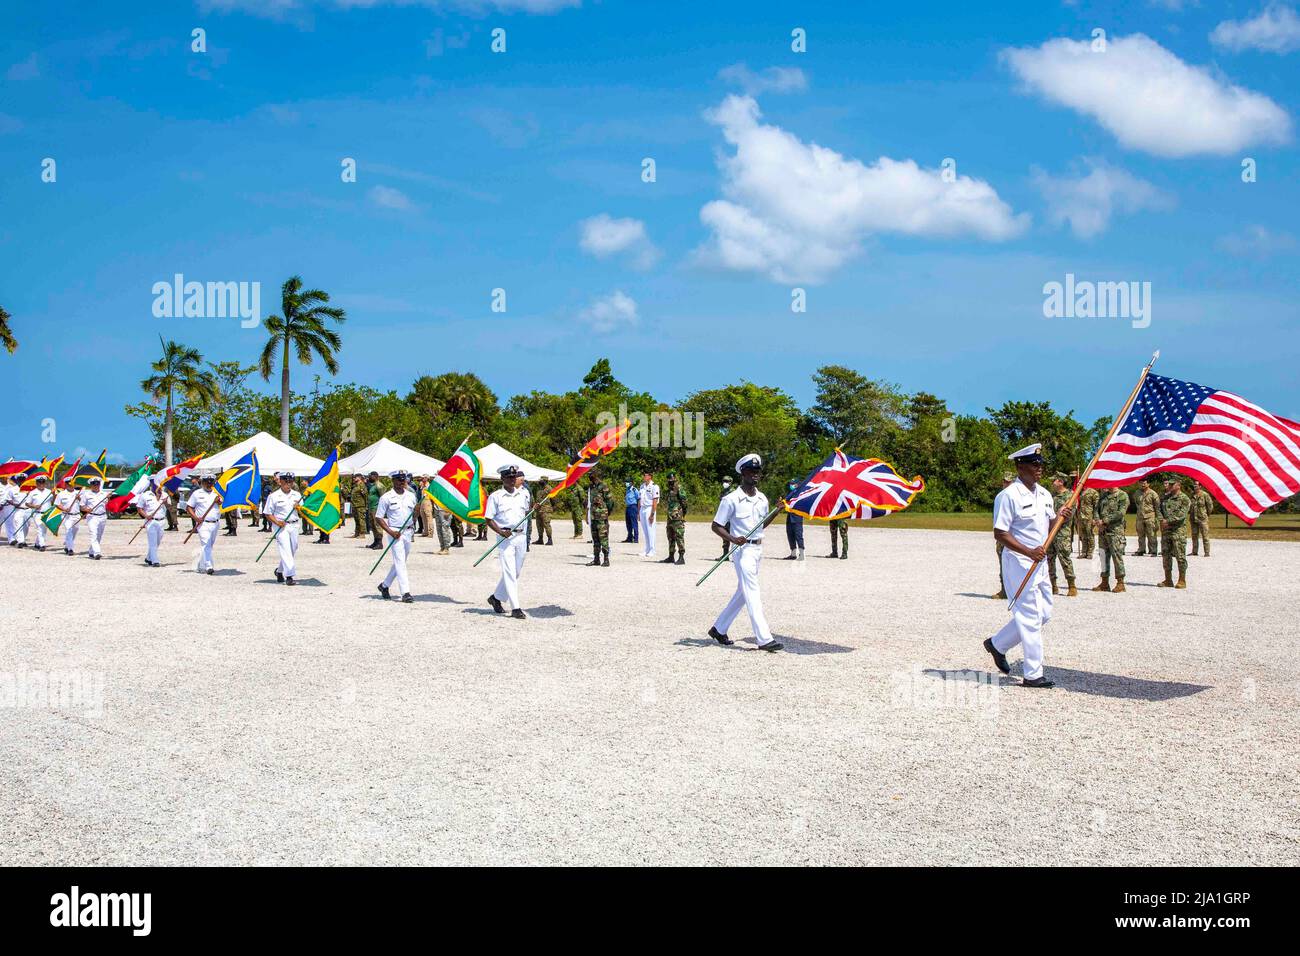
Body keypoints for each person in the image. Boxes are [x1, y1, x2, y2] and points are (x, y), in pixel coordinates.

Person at [981, 443, 1056, 689]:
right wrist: (1028, 551)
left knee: (1044, 613)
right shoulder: (1008, 496)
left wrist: (1065, 516)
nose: (1040, 469)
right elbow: (1000, 533)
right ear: (1020, 466)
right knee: (1029, 616)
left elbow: (1051, 524)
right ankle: (1033, 674)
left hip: (1040, 562)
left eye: (1041, 464)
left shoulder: (1044, 494)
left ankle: (998, 644)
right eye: (1035, 465)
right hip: (1019, 562)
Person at [708, 454, 783, 652]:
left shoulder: (762, 498)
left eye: (757, 471)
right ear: (743, 473)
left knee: (743, 592)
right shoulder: (731, 499)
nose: (755, 475)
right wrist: (733, 539)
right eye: (751, 471)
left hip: (758, 548)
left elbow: (760, 525)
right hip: (742, 551)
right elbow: (716, 526)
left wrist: (775, 512)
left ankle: (719, 628)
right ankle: (764, 638)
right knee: (752, 591)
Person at [485, 464, 531, 619]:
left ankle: (496, 597)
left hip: (521, 537)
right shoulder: (496, 496)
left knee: (516, 572)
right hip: (505, 538)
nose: (512, 480)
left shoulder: (523, 494)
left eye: (514, 477)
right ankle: (516, 608)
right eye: (509, 477)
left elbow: (525, 511)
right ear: (502, 478)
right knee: (509, 572)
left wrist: (534, 508)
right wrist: (500, 532)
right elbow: (488, 519)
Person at [374, 471, 417, 604]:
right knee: (400, 562)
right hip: (395, 532)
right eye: (398, 479)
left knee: (401, 561)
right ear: (392, 481)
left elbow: (415, 511)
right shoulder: (386, 497)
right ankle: (405, 592)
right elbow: (378, 517)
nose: (401, 482)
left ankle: (384, 585)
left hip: (408, 532)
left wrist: (414, 522)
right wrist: (390, 532)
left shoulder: (411, 496)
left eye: (403, 479)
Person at [263, 471, 304, 586]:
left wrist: (299, 507)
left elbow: (304, 511)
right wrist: (277, 522)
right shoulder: (274, 496)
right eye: (286, 480)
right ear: (280, 481)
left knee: (293, 549)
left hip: (294, 525)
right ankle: (289, 576)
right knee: (285, 548)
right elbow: (267, 513)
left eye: (290, 481)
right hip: (281, 526)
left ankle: (279, 571)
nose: (288, 483)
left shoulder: (297, 494)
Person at [1093, 485, 1129, 593]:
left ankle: (1120, 583)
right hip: (1103, 531)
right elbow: (1096, 510)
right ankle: (1104, 582)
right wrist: (1098, 521)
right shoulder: (1103, 496)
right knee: (1103, 556)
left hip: (1115, 532)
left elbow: (1120, 513)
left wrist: (1104, 521)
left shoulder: (1122, 495)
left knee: (1116, 556)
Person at [1046, 474, 1077, 597]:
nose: (1052, 483)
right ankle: (1053, 585)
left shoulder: (1070, 496)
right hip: (1049, 531)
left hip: (1062, 532)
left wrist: (1058, 517)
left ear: (1061, 482)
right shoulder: (1051, 496)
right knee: (1049, 559)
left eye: (1054, 480)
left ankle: (1071, 585)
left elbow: (1069, 514)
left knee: (1065, 558)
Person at [186, 473, 223, 574]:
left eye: (211, 482)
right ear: (202, 482)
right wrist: (196, 518)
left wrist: (219, 502)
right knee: (206, 543)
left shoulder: (217, 493)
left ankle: (200, 564)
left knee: (209, 546)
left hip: (215, 523)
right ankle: (208, 566)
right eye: (206, 482)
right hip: (203, 524)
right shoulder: (197, 493)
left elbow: (222, 505)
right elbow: (189, 507)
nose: (209, 484)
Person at [1158, 476, 1191, 590]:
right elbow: (1159, 510)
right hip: (1166, 531)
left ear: (1178, 485)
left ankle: (1182, 580)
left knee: (1180, 555)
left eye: (1173, 484)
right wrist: (1162, 520)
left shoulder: (1184, 499)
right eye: (1169, 484)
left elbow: (1182, 515)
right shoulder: (1165, 498)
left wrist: (1168, 521)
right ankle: (1168, 579)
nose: (1170, 486)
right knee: (1166, 555)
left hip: (1178, 531)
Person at [134, 481, 168, 567]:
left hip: (162, 521)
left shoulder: (164, 495)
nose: (158, 486)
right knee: (152, 542)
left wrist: (165, 502)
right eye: (156, 484)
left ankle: (149, 558)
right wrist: (146, 515)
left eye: (160, 484)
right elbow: (139, 508)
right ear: (152, 484)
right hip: (151, 521)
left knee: (157, 542)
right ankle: (155, 561)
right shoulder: (145, 495)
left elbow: (170, 506)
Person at [78, 475, 111, 561]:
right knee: (93, 534)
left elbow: (108, 504)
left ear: (100, 485)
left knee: (99, 535)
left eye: (97, 484)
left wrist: (109, 498)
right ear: (91, 485)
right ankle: (97, 553)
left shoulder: (104, 494)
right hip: (92, 516)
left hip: (103, 516)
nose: (96, 486)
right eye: (94, 484)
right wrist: (86, 509)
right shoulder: (86, 494)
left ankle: (91, 551)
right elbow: (81, 506)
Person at [18, 475, 54, 551]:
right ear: (36, 483)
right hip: (37, 513)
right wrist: (34, 506)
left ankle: (37, 543)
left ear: (45, 483)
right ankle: (42, 545)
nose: (41, 484)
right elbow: (27, 503)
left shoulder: (49, 491)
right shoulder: (32, 492)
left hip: (47, 514)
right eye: (39, 482)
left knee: (44, 529)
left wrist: (54, 494)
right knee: (40, 528)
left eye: (43, 482)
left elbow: (53, 501)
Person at [587, 473, 615, 567]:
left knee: (603, 538)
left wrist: (607, 513)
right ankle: (596, 559)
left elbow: (610, 501)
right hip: (593, 517)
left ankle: (606, 560)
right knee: (595, 539)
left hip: (602, 517)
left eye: (592, 475)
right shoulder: (591, 487)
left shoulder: (603, 486)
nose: (590, 477)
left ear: (596, 476)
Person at [992, 472, 1013, 599]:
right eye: (1005, 481)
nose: (1007, 483)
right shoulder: (1000, 496)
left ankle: (1015, 590)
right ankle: (1004, 589)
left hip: (1012, 535)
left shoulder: (1014, 496)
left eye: (1009, 481)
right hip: (1002, 535)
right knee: (1002, 563)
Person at [661, 472, 688, 565]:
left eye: (672, 480)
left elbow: (684, 502)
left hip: (677, 517)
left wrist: (683, 513)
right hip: (670, 517)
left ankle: (681, 557)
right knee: (670, 536)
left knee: (679, 536)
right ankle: (671, 556)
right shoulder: (669, 489)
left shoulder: (679, 488)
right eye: (669, 480)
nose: (671, 482)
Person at [53, 479, 81, 555]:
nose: (70, 486)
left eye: (72, 484)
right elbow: (57, 504)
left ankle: (67, 545)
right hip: (66, 516)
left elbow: (83, 503)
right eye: (68, 484)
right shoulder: (61, 494)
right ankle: (70, 549)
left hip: (77, 515)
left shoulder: (78, 493)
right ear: (65, 485)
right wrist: (64, 509)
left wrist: (79, 498)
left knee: (74, 531)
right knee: (69, 531)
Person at [1134, 479, 1160, 556]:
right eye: (1141, 483)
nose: (1143, 485)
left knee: (1151, 534)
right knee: (1140, 534)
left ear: (1148, 484)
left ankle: (1153, 550)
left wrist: (1157, 518)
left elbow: (1157, 506)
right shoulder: (1137, 493)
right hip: (1140, 517)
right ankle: (1141, 549)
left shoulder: (1153, 494)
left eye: (1144, 483)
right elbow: (1137, 503)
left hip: (1150, 517)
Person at [638, 472, 660, 558]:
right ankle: (646, 549)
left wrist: (652, 514)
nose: (644, 476)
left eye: (645, 475)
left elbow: (655, 501)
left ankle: (652, 550)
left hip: (649, 508)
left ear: (650, 476)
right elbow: (639, 500)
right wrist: (638, 512)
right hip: (642, 508)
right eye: (643, 475)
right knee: (645, 530)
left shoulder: (654, 486)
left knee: (650, 530)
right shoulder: (642, 486)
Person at [1190, 481, 1215, 556]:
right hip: (1193, 518)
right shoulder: (1192, 495)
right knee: (1194, 536)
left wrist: (1206, 514)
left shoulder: (1205, 495)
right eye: (1194, 485)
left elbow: (1210, 506)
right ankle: (1194, 552)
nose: (1195, 486)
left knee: (1205, 536)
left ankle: (1207, 552)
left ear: (1200, 486)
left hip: (1202, 518)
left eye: (1196, 485)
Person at [782, 478, 804, 560]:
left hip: (797, 517)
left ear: (797, 484)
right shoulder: (791, 493)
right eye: (790, 483)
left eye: (793, 483)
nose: (791, 485)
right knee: (790, 535)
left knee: (798, 536)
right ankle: (793, 554)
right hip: (790, 517)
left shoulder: (800, 494)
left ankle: (801, 554)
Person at [1077, 483, 1098, 558]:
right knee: (1083, 535)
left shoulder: (1093, 492)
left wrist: (1095, 519)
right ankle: (1084, 552)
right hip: (1081, 516)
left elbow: (1096, 507)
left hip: (1089, 517)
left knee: (1090, 535)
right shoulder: (1080, 491)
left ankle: (1090, 552)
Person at [533, 480, 554, 545]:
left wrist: (551, 507)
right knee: (539, 525)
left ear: (545, 481)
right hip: (539, 510)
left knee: (546, 524)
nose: (540, 481)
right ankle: (540, 539)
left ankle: (550, 539)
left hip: (546, 510)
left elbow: (554, 499)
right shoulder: (539, 489)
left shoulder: (549, 489)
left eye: (542, 480)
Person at [717, 476, 733, 559]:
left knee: (735, 535)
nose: (724, 483)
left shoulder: (733, 492)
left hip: (732, 518)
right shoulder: (723, 492)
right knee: (725, 535)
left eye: (726, 481)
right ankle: (725, 555)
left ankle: (738, 555)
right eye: (723, 481)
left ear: (730, 482)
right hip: (725, 518)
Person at [366, 472, 383, 549]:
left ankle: (380, 543)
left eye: (370, 476)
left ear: (375, 476)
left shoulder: (379, 486)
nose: (369, 477)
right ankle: (375, 541)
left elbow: (383, 497)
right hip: (371, 507)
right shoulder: (373, 485)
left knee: (377, 524)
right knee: (372, 524)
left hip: (376, 507)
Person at [349, 475, 369, 539]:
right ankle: (357, 533)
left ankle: (362, 534)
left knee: (361, 520)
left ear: (359, 478)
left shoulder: (362, 485)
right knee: (357, 520)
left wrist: (366, 506)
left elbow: (365, 496)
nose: (354, 478)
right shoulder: (356, 485)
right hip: (355, 505)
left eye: (355, 477)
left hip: (360, 506)